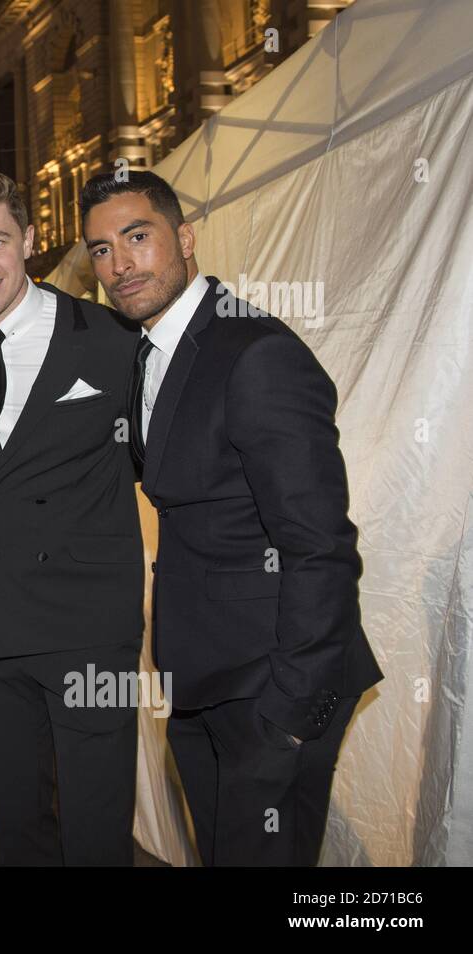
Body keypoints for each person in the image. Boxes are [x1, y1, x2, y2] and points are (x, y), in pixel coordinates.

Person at [79, 169, 383, 865]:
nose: (119, 265)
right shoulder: (149, 356)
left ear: (184, 238)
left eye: (137, 237)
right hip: (199, 683)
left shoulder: (256, 352)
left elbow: (320, 546)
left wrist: (289, 715)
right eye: (100, 250)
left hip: (271, 689)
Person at [0, 168, 144, 865]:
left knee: (96, 824)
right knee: (14, 821)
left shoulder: (111, 340)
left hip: (88, 626)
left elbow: (158, 461)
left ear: (30, 240)